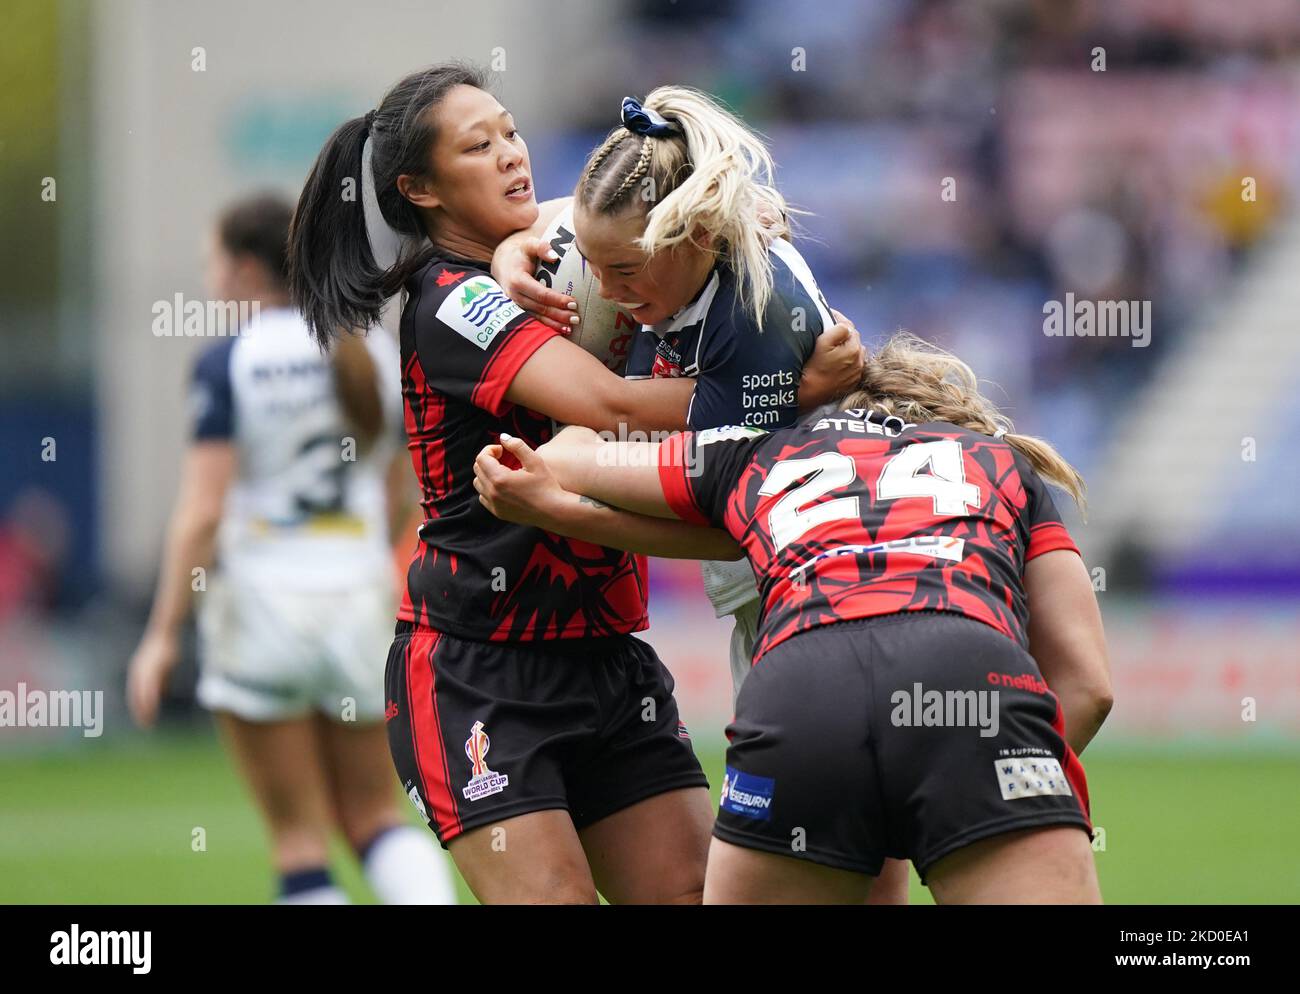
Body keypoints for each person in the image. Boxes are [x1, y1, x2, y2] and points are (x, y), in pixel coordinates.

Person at [288, 63, 861, 904]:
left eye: (512, 132)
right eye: (478, 147)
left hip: (606, 658)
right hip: (477, 668)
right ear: (421, 188)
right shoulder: (451, 300)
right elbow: (607, 403)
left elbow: (642, 221)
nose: (513, 156)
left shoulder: (573, 249)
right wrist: (791, 391)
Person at [472, 332, 1114, 904]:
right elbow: (1088, 685)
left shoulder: (760, 453)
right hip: (969, 676)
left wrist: (565, 468)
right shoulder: (1000, 461)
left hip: (802, 687)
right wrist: (969, 791)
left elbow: (573, 459)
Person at [492, 86, 913, 903]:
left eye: (623, 271)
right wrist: (515, 256)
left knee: (799, 856)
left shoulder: (755, 314)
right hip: (792, 582)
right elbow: (561, 221)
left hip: (806, 597)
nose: (607, 290)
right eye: (596, 263)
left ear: (694, 236)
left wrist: (563, 483)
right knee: (847, 833)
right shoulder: (659, 227)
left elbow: (718, 520)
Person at [127, 194, 456, 904]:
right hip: (360, 601)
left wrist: (161, 635)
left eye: (212, 262)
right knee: (374, 817)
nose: (208, 278)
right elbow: (405, 485)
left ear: (245, 269)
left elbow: (202, 513)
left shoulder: (229, 362)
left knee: (299, 838)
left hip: (261, 605)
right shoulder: (367, 347)